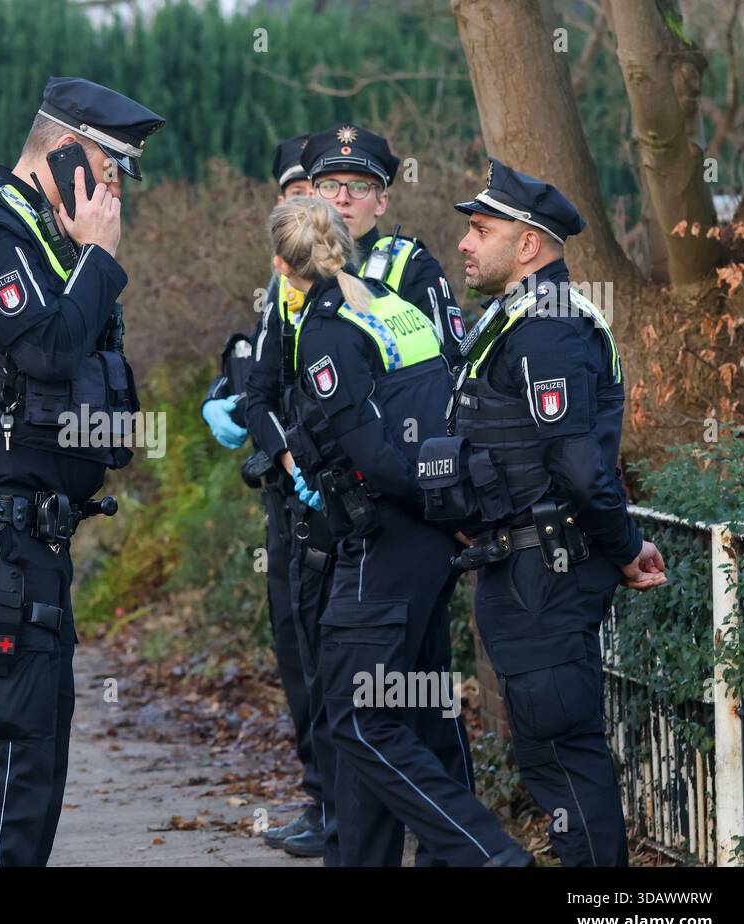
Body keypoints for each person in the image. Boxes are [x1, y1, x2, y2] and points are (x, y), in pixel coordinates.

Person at [0, 77, 164, 867]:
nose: (114, 189)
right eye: (108, 167)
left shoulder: (39, 240)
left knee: (38, 763)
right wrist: (96, 256)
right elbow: (48, 350)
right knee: (8, 759)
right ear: (64, 156)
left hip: (30, 538)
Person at [423, 158, 667, 866]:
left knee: (562, 754)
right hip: (524, 567)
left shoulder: (549, 329)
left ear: (527, 245)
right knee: (548, 754)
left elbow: (578, 465)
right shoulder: (520, 318)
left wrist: (624, 547)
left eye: (480, 230)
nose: (465, 244)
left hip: (548, 573)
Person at [275, 196, 528, 866]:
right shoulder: (396, 306)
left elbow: (378, 460)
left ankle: (488, 854)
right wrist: (458, 518)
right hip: (430, 543)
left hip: (382, 545)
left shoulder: (328, 329)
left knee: (358, 718)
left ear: (281, 265)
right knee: (418, 711)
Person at [200, 133, 330, 857]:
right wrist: (233, 391)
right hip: (284, 499)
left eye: (314, 187)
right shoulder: (281, 285)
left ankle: (345, 811)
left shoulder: (349, 282)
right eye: (291, 190)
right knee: (295, 650)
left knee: (326, 655)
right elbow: (258, 375)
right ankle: (322, 800)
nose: (302, 200)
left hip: (325, 501)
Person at [300, 124, 465, 365]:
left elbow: (452, 364)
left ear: (381, 203)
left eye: (358, 187)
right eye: (329, 186)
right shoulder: (293, 267)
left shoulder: (414, 267)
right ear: (312, 197)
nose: (342, 199)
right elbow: (264, 381)